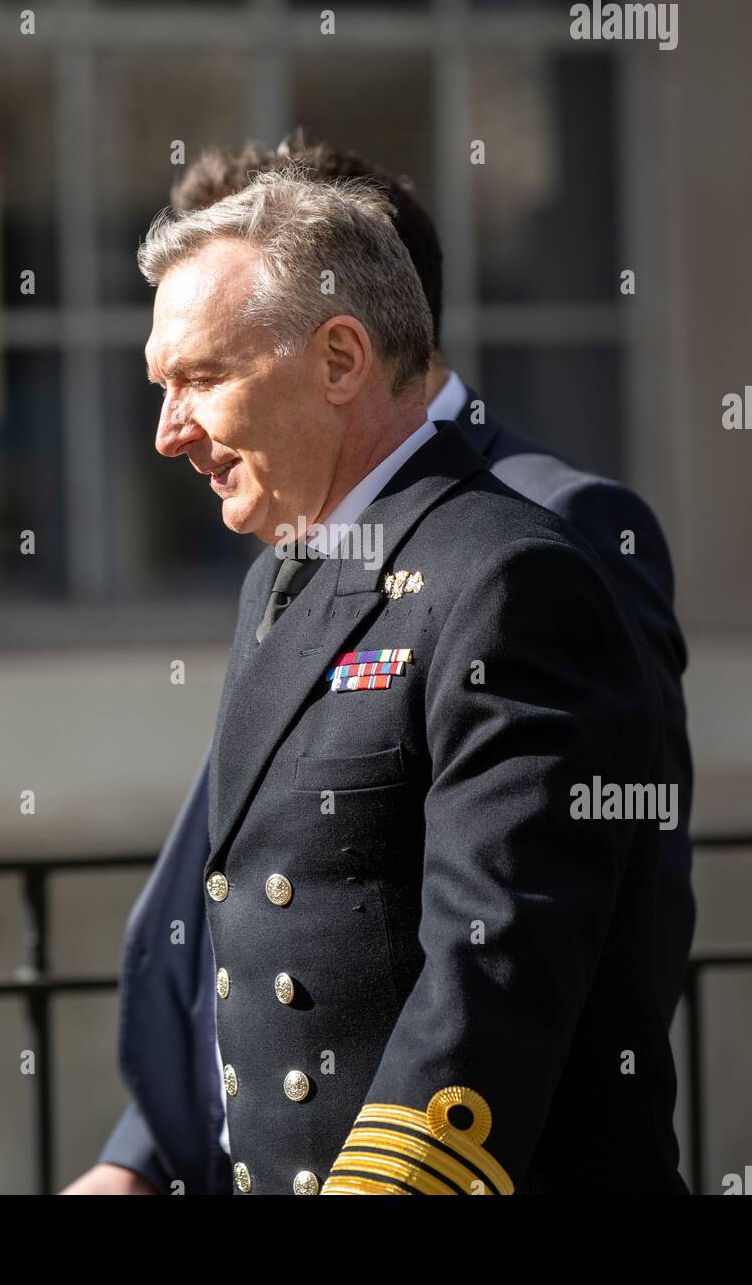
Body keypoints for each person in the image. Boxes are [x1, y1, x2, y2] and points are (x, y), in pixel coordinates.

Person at [73, 166, 686, 1196]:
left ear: (342, 359)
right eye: (160, 387)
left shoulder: (509, 574)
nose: (168, 432)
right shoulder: (285, 570)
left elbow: (494, 963)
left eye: (202, 378)